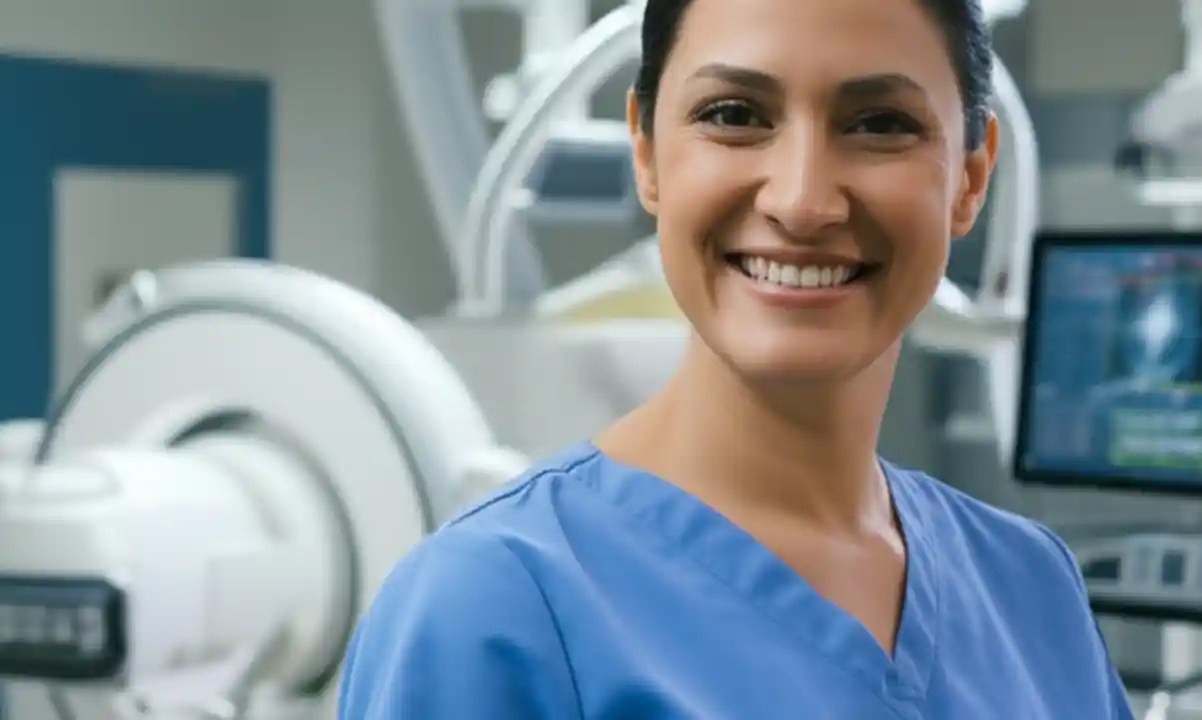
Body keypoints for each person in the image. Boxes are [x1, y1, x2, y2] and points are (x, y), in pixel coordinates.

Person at [339, 0, 1136, 716]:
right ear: (647, 153)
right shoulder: (493, 607)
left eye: (881, 124)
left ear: (970, 176)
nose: (802, 200)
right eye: (733, 113)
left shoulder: (1031, 588)